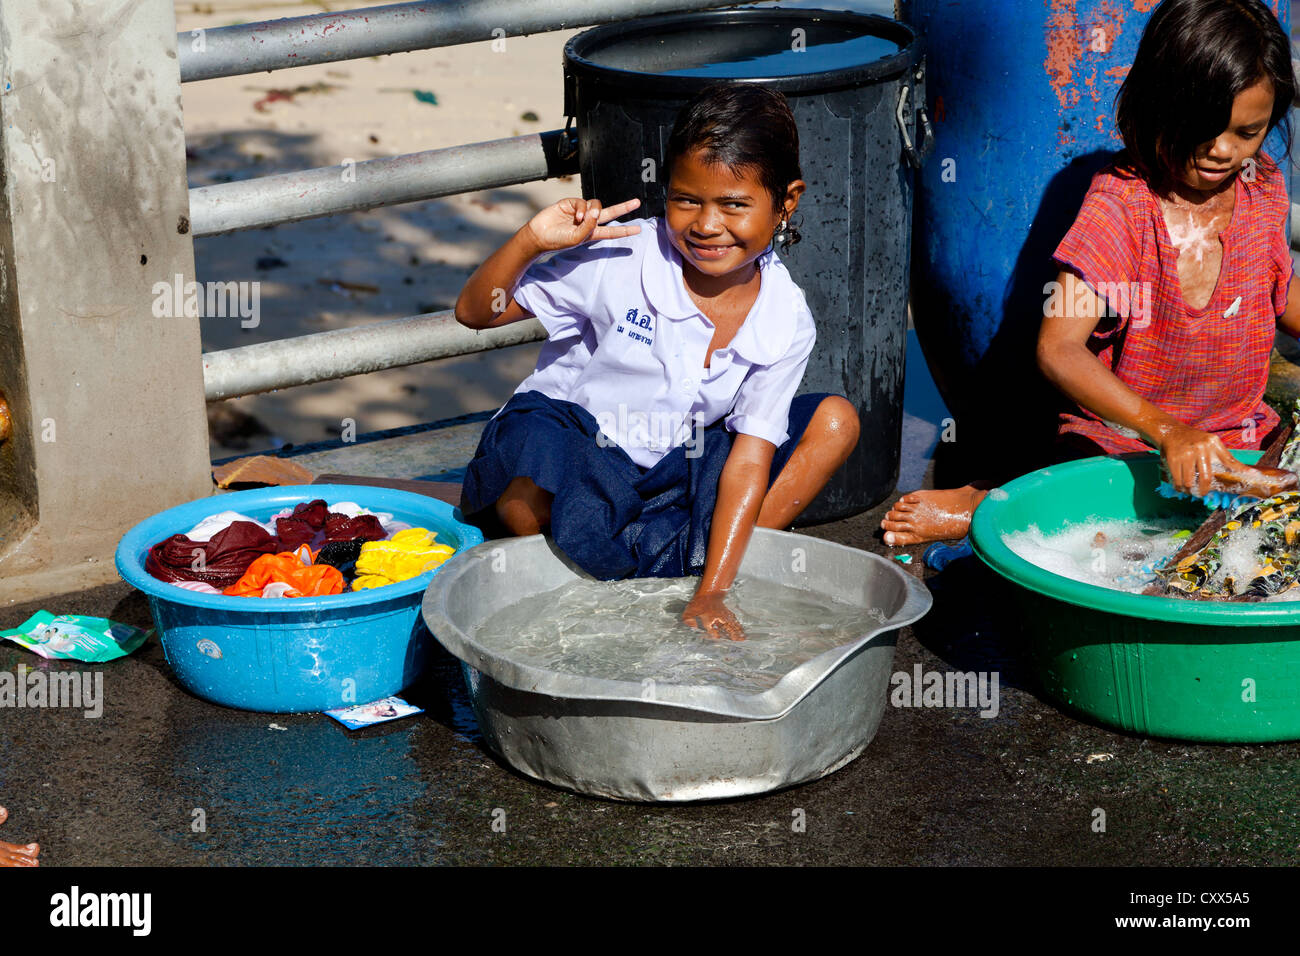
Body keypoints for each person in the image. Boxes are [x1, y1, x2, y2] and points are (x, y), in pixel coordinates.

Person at [882, 0, 1300, 547]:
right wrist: (1168, 432)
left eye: (1247, 132)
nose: (1223, 150)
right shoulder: (1122, 203)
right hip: (1126, 443)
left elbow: (1278, 291)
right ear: (1160, 102)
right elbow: (1059, 349)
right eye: (1203, 128)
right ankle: (991, 501)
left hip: (1235, 439)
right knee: (1105, 537)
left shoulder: (1261, 185)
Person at [456, 84, 860, 640]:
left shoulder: (786, 316)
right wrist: (531, 240)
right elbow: (476, 312)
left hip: (672, 469)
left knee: (835, 420)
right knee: (532, 461)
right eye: (686, 199)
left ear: (787, 202)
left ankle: (709, 575)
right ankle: (577, 555)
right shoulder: (621, 255)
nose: (706, 225)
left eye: (735, 204)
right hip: (579, 447)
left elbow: (747, 458)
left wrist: (713, 592)